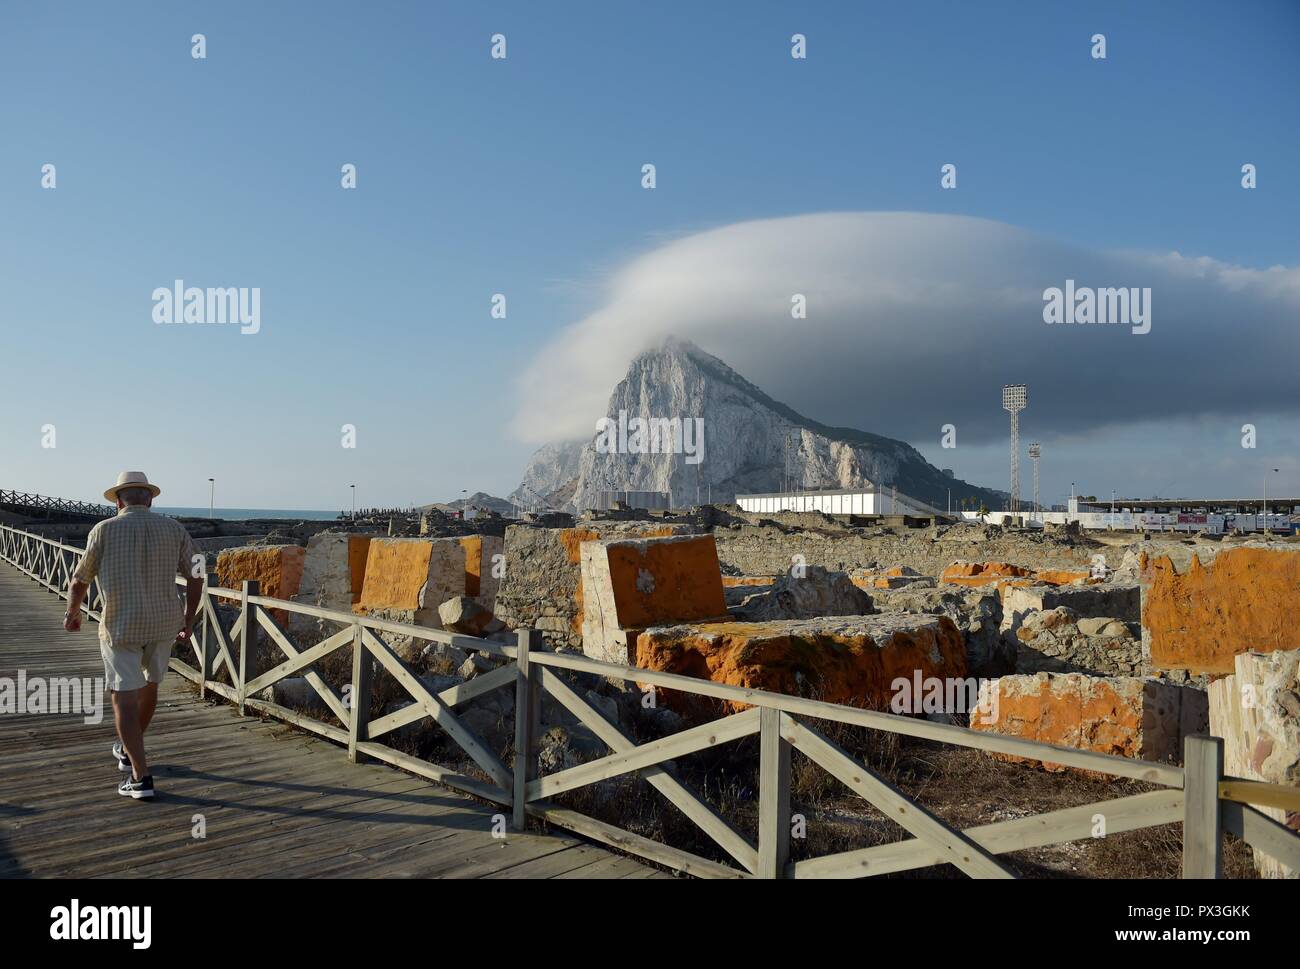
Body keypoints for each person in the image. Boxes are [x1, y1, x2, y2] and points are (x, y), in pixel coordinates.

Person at [64, 471, 203, 799]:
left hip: (120, 625)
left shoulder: (104, 530)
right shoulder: (173, 528)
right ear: (150, 499)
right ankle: (129, 751)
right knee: (149, 688)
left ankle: (141, 778)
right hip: (163, 624)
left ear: (117, 501)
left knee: (123, 697)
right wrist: (189, 616)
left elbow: (79, 579)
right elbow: (197, 575)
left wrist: (72, 613)